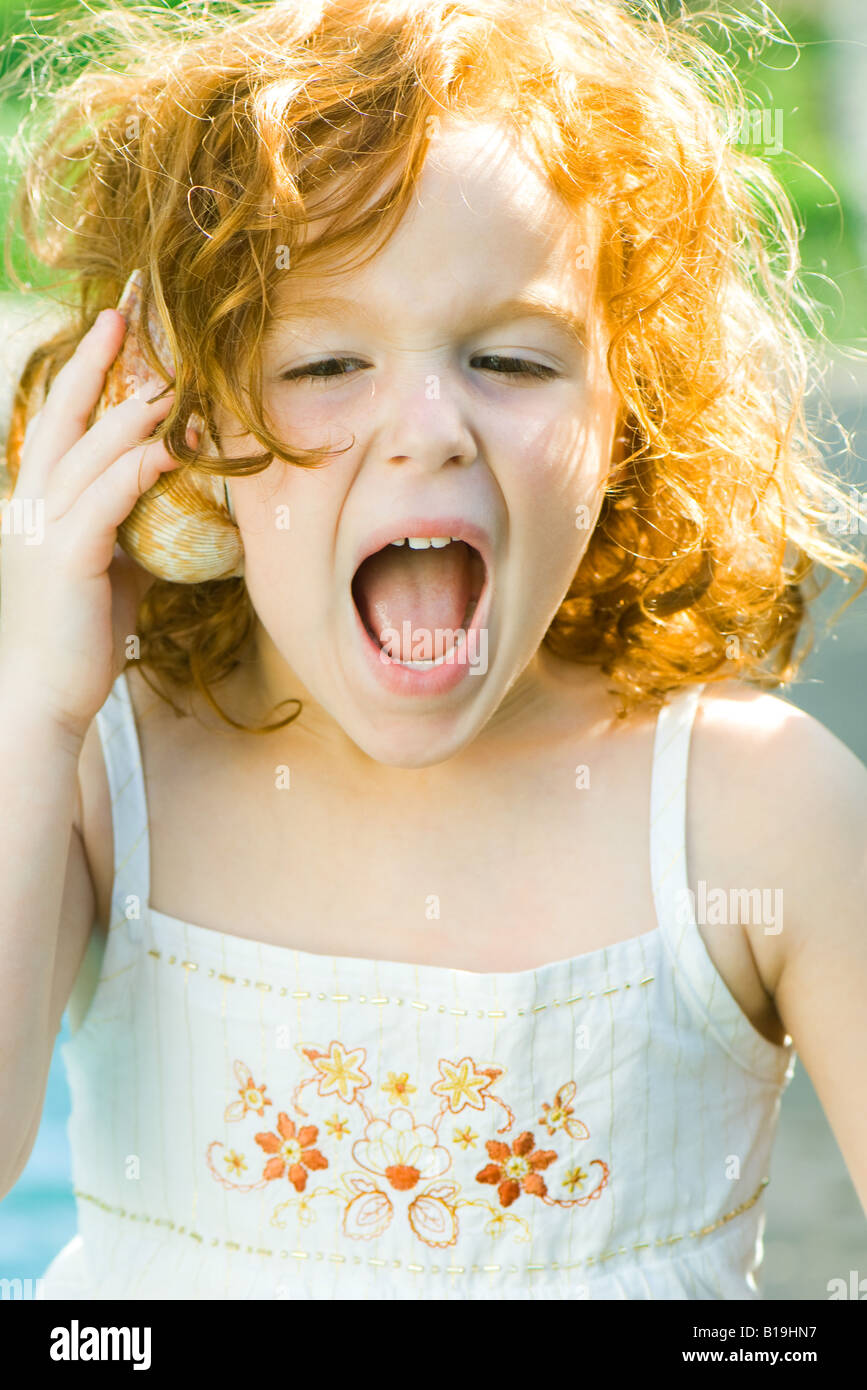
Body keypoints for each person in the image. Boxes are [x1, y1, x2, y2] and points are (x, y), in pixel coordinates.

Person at [0, 0, 864, 1300]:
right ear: (184, 433)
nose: (427, 430)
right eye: (327, 361)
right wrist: (34, 700)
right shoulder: (103, 773)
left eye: (511, 360)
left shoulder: (754, 815)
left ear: (632, 408)